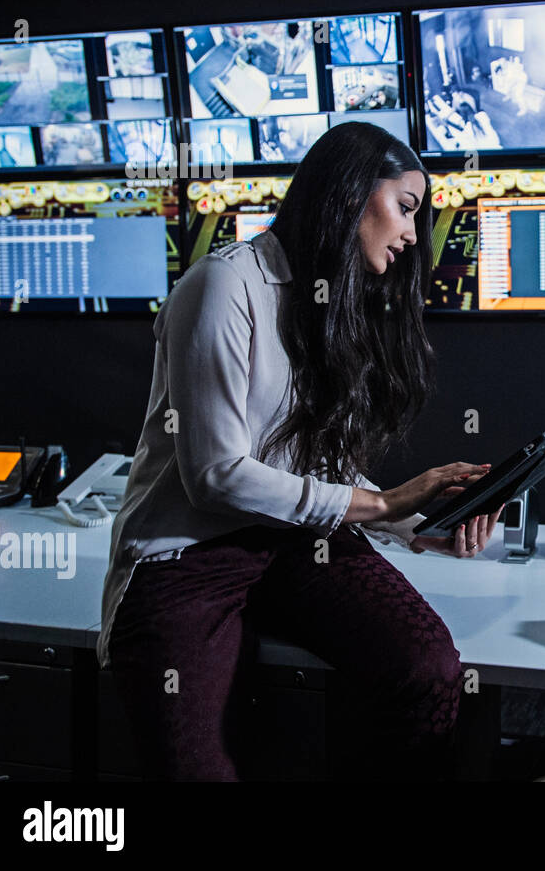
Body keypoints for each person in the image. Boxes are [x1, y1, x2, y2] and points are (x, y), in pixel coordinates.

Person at [98, 121, 501, 782]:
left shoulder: (336, 304)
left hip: (292, 543)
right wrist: (382, 502)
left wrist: (417, 526)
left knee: (426, 669)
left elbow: (317, 468)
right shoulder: (224, 285)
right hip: (191, 556)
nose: (411, 235)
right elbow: (215, 477)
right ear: (348, 195)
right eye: (404, 207)